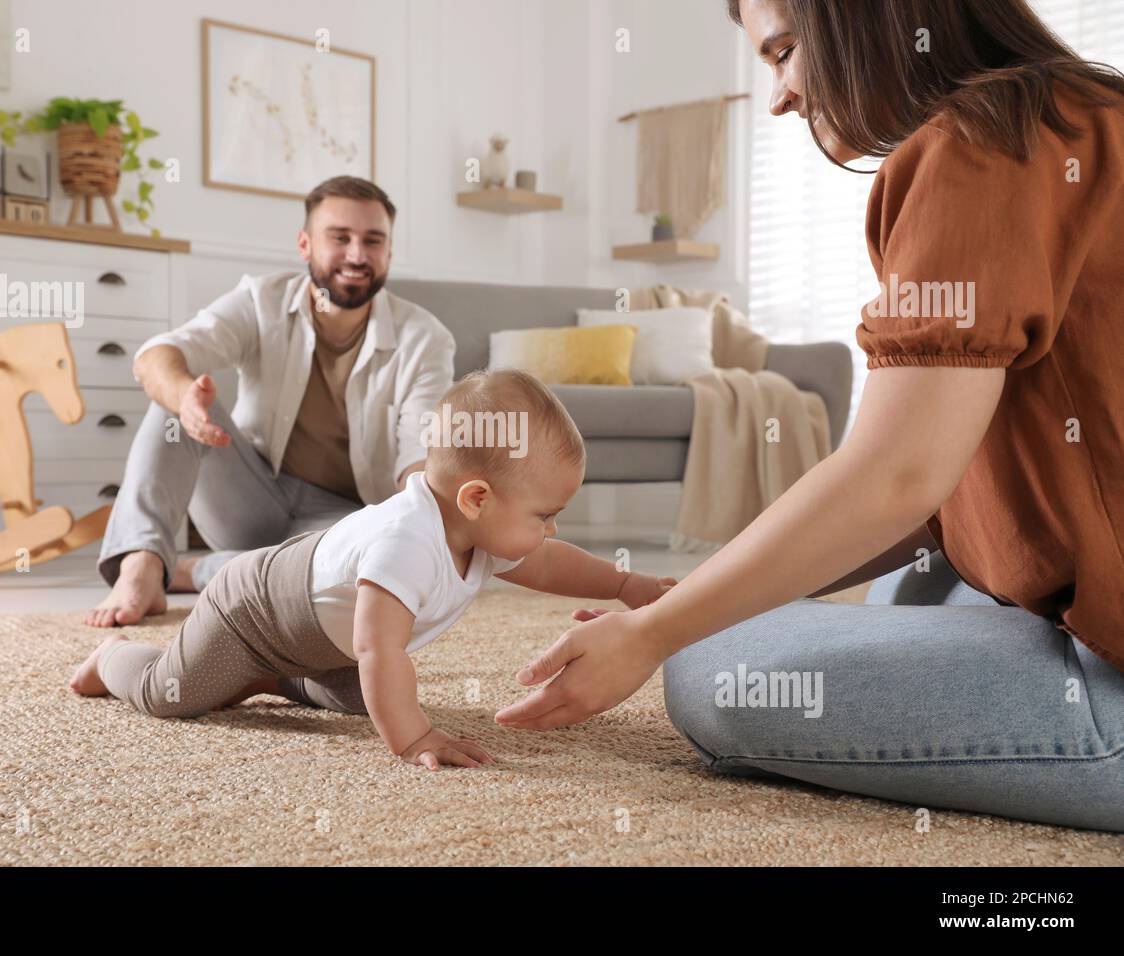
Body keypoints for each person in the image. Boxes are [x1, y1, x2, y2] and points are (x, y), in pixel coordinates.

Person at [495, 0, 1124, 832]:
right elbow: (936, 498)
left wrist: (655, 636)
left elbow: (895, 476)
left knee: (716, 668)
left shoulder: (980, 144)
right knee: (905, 585)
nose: (781, 97)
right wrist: (696, 595)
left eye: (785, 52)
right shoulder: (1089, 115)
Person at [70, 370, 677, 770]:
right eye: (546, 514)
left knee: (366, 699)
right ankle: (117, 658)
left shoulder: (482, 526)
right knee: (174, 696)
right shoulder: (405, 542)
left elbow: (548, 565)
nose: (551, 530)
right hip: (250, 613)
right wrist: (413, 739)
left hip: (318, 644)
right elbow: (379, 649)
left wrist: (626, 584)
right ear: (476, 498)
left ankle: (268, 679)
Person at [87, 176, 456, 628]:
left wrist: (414, 539)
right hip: (250, 494)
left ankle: (199, 569)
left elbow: (419, 456)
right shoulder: (260, 300)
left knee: (357, 577)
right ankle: (141, 563)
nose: (357, 255)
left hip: (340, 517)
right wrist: (185, 397)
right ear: (305, 244)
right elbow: (157, 355)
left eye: (372, 241)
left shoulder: (425, 338)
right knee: (172, 402)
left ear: (389, 253)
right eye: (339, 238)